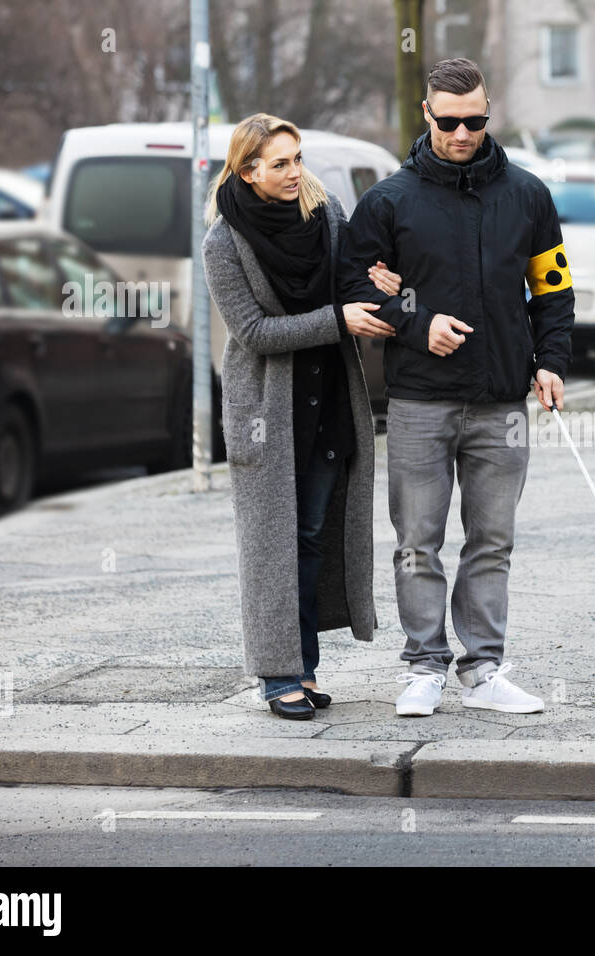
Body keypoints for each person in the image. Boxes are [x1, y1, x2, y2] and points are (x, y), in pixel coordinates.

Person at [338, 58, 575, 717]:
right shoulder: (389, 201)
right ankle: (423, 667)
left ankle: (484, 669)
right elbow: (353, 291)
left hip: (502, 401)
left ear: (487, 112)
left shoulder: (528, 196)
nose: (463, 132)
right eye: (450, 122)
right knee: (418, 540)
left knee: (491, 540)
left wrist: (552, 362)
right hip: (418, 401)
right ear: (427, 114)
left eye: (476, 120)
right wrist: (417, 325)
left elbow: (553, 292)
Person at [201, 113, 402, 720]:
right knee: (271, 547)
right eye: (280, 163)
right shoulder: (222, 241)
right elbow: (255, 333)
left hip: (329, 401)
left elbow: (350, 283)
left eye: (297, 158)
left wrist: (376, 282)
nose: (294, 172)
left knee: (311, 537)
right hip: (267, 409)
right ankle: (276, 675)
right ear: (248, 170)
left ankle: (305, 667)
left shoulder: (326, 214)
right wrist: (340, 319)